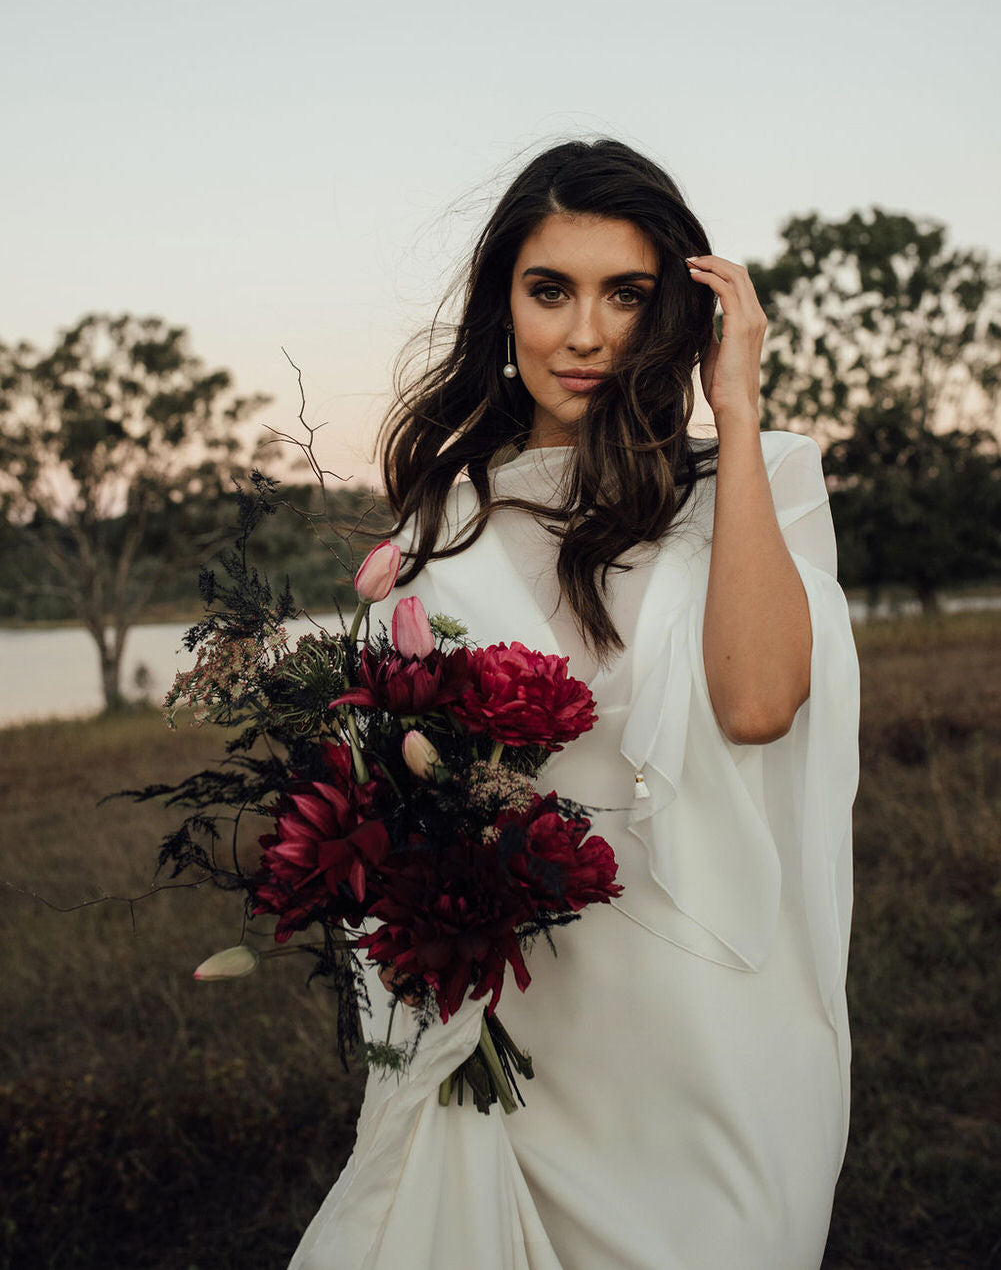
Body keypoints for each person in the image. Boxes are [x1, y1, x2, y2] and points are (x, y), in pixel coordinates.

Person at [289, 140, 860, 1270]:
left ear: (676, 315)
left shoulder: (757, 478)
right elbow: (384, 810)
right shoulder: (434, 532)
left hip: (720, 1029)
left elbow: (755, 705)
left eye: (627, 295)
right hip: (522, 1039)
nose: (586, 335)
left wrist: (734, 413)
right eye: (549, 291)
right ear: (502, 303)